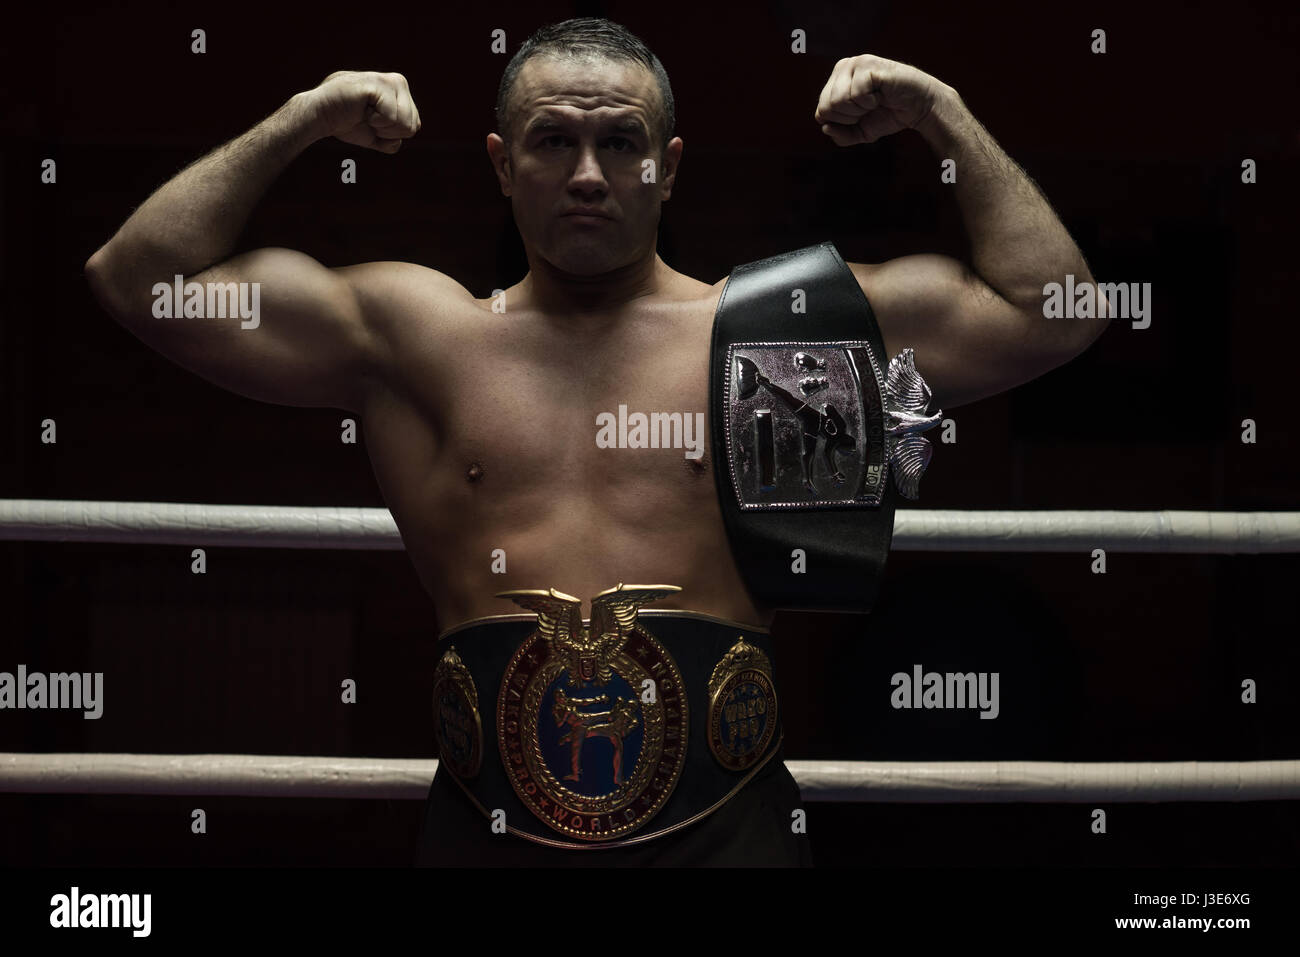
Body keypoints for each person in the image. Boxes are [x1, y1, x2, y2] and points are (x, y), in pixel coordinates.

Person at [83, 17, 1109, 866]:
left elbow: (1052, 311)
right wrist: (303, 118)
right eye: (552, 142)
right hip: (486, 831)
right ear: (501, 163)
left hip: (729, 835)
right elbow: (136, 279)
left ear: (666, 167)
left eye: (618, 143)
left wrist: (942, 113)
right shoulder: (419, 335)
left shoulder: (780, 330)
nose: (586, 174)